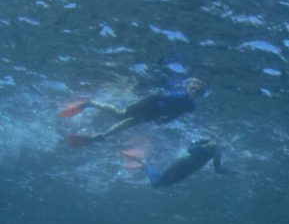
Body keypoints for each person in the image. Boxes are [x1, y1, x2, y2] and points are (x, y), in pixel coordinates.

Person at [63, 77, 207, 145]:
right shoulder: (178, 94)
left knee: (129, 124)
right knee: (121, 114)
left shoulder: (190, 105)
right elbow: (156, 96)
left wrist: (164, 119)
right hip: (148, 106)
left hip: (154, 113)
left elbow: (177, 113)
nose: (194, 93)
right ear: (189, 86)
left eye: (198, 92)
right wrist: (148, 109)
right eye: (193, 89)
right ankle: (90, 103)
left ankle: (101, 136)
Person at [145, 139, 225, 188]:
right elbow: (190, 149)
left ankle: (148, 167)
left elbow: (218, 169)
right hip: (183, 164)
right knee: (158, 183)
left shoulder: (217, 150)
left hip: (190, 169)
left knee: (167, 184)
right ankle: (146, 165)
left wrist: (234, 172)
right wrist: (203, 147)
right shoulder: (207, 142)